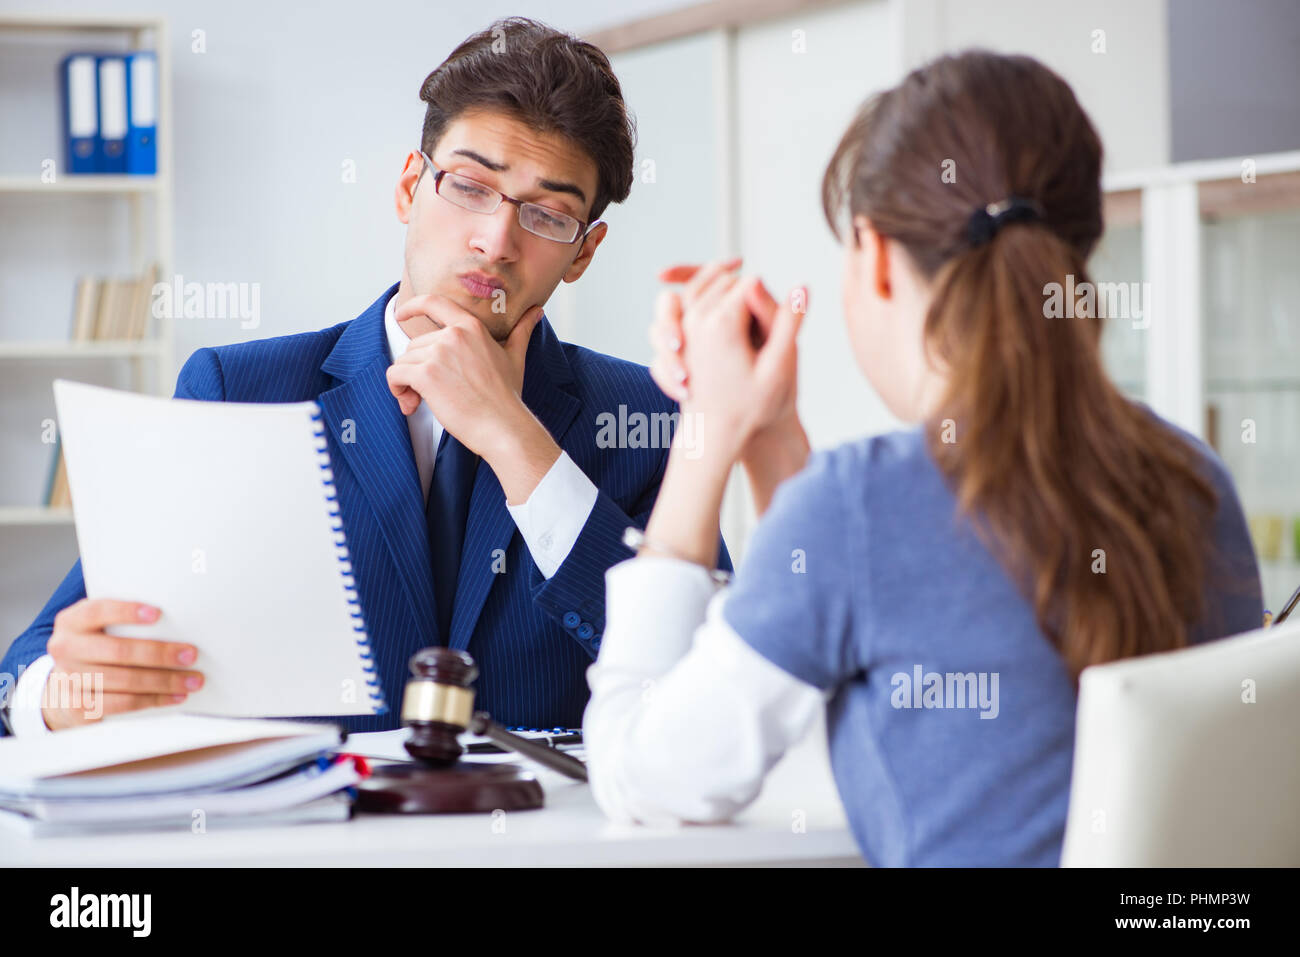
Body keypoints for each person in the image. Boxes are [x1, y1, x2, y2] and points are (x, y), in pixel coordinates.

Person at [582, 50, 1263, 866]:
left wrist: (706, 431)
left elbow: (640, 778)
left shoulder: (860, 506)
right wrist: (768, 433)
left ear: (871, 255)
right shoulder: (1198, 483)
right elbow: (862, 588)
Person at [0, 17, 728, 737]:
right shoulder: (242, 390)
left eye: (546, 214)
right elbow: (24, 667)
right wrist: (67, 694)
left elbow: (702, 691)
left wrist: (515, 439)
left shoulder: (646, 419)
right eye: (471, 186)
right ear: (411, 187)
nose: (495, 240)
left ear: (583, 253)